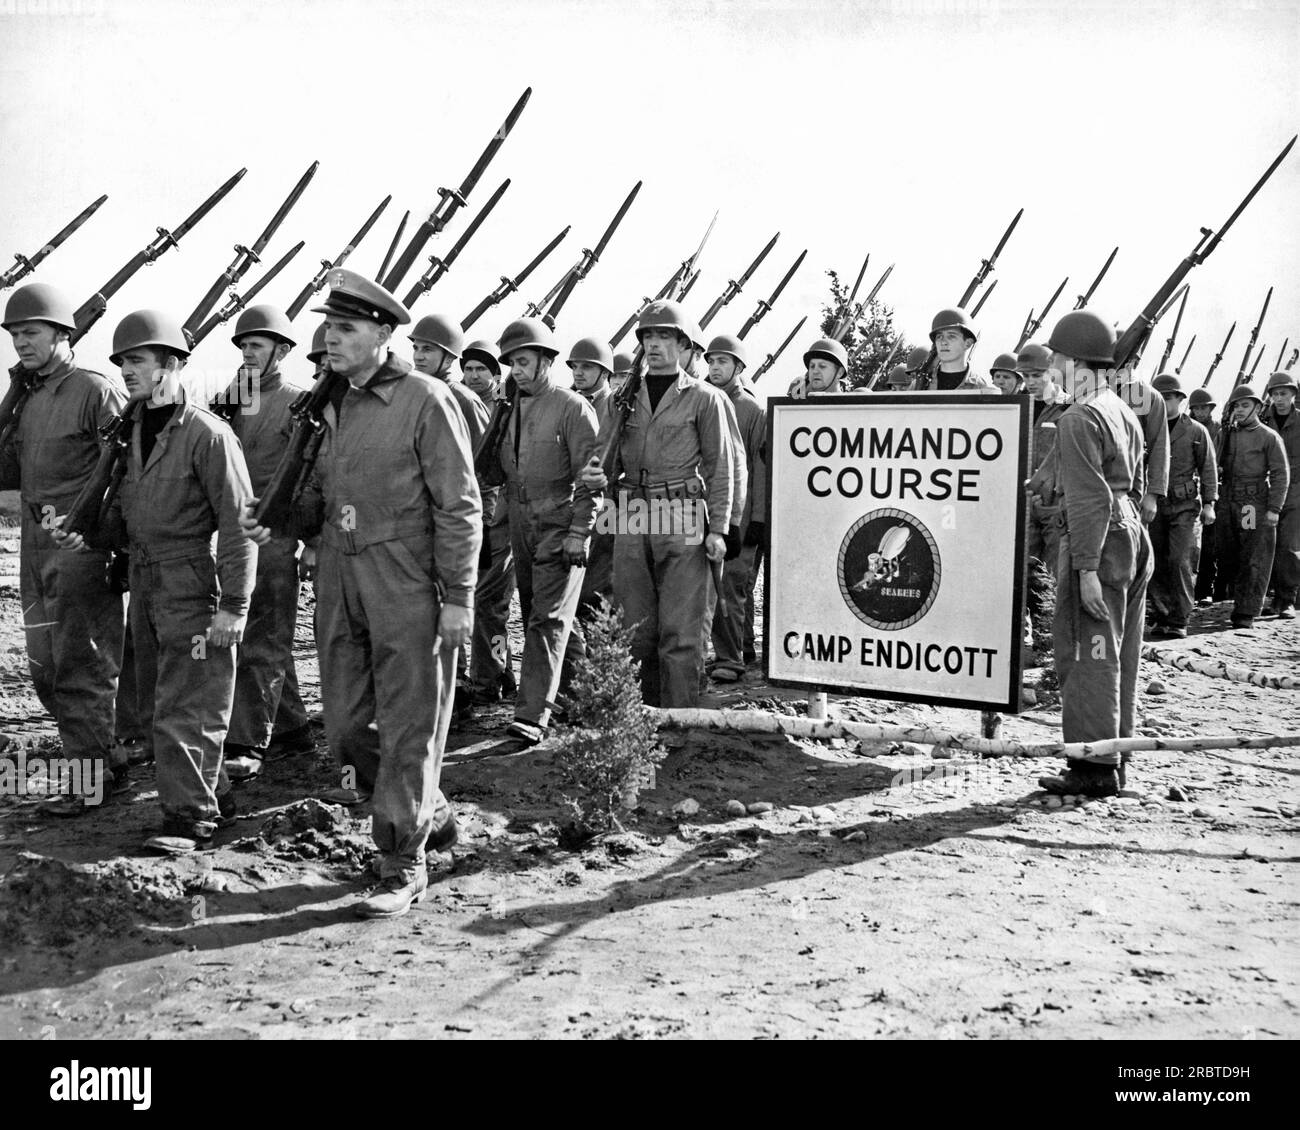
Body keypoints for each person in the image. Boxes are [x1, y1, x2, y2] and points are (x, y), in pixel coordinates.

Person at [241, 269, 481, 918]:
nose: (331, 338)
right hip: (340, 580)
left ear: (382, 332)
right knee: (345, 730)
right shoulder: (326, 405)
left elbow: (460, 506)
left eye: (345, 327)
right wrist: (278, 516)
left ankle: (401, 860)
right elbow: (318, 501)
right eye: (329, 327)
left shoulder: (426, 401)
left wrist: (458, 596)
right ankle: (427, 810)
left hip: (408, 583)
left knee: (408, 727)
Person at [53, 309, 255, 850]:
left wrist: (234, 605)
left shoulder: (209, 435)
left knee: (186, 702)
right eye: (121, 363)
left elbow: (239, 526)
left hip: (190, 578)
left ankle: (190, 819)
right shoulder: (131, 432)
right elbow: (124, 508)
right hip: (142, 576)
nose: (126, 372)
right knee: (154, 703)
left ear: (172, 363)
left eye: (137, 361)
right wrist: (93, 536)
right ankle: (217, 797)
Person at [1, 283, 129, 814]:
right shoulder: (28, 397)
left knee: (82, 663)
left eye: (31, 333)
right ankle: (108, 758)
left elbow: (125, 470)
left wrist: (106, 538)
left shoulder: (94, 390)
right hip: (34, 546)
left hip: (79, 546)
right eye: (14, 335)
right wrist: (11, 396)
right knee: (44, 666)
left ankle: (90, 779)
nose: (20, 343)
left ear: (62, 333)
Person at [580, 300, 740, 707]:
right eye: (648, 336)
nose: (654, 344)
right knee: (635, 626)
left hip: (682, 507)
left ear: (683, 343)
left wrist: (719, 528)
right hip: (631, 508)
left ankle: (681, 718)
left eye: (664, 336)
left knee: (682, 630)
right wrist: (595, 472)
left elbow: (722, 467)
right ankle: (642, 718)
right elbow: (603, 455)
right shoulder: (624, 396)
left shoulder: (706, 399)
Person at [1034, 311, 1152, 798]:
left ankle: (1092, 768)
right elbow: (1127, 482)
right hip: (1131, 534)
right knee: (1119, 652)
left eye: (1057, 358)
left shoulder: (1079, 416)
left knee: (1086, 652)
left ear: (1077, 362)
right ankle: (1113, 755)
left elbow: (1090, 500)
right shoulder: (1119, 408)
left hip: (1097, 539)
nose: (1050, 368)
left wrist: (1084, 570)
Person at [494, 318, 598, 744]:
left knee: (545, 619)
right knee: (553, 616)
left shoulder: (573, 407)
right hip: (521, 522)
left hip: (559, 520)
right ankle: (581, 700)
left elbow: (593, 479)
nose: (517, 370)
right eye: (513, 363)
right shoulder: (509, 408)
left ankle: (531, 715)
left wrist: (580, 531)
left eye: (524, 361)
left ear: (545, 361)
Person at [219, 305, 312, 781]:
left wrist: (309, 539)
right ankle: (293, 730)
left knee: (264, 637)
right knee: (264, 634)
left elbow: (314, 473)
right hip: (237, 532)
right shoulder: (238, 400)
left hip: (277, 533)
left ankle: (247, 742)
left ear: (283, 350)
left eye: (257, 345)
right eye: (243, 345)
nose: (248, 353)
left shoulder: (301, 401)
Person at [411, 313, 491, 722]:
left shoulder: (462, 398)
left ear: (448, 357)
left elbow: (481, 465)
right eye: (417, 349)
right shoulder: (416, 392)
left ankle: (455, 693)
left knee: (455, 602)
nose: (419, 356)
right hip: (421, 520)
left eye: (428, 350)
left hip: (454, 518)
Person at [703, 333, 765, 682]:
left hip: (741, 515)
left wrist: (757, 520)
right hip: (711, 512)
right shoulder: (703, 401)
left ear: (739, 367)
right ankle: (740, 649)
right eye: (711, 361)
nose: (714, 367)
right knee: (715, 585)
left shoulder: (752, 410)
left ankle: (731, 659)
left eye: (723, 361)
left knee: (732, 586)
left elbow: (760, 467)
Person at [460, 339, 517, 704]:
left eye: (482, 370)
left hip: (495, 522)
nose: (474, 375)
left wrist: (485, 521)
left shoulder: (498, 410)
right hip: (471, 521)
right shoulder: (460, 405)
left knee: (489, 606)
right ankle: (503, 673)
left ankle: (488, 679)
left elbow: (492, 472)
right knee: (486, 608)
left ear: (496, 377)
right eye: (469, 369)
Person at [1146, 373, 1216, 639]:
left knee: (1180, 560)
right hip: (1154, 504)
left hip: (1185, 506)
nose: (1163, 404)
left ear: (1179, 399)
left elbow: (1208, 469)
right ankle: (1162, 614)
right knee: (1156, 561)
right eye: (1158, 399)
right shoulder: (1148, 429)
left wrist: (1209, 504)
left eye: (1168, 398)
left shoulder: (1196, 431)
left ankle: (1180, 618)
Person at [1214, 384, 1289, 629]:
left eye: (1245, 405)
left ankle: (1246, 612)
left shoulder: (1268, 436)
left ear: (1257, 407)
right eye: (1236, 405)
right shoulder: (1226, 434)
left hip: (1251, 504)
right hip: (1227, 499)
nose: (1240, 410)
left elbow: (1280, 474)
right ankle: (1237, 601)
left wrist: (1274, 509)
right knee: (1229, 554)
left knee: (1252, 555)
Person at [567, 336, 616, 629]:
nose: (579, 372)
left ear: (605, 372)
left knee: (602, 591)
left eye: (587, 367)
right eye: (575, 366)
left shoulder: (617, 406)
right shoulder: (569, 404)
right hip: (575, 507)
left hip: (610, 510)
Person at [1261, 370, 1300, 618]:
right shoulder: (1264, 422)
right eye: (1275, 394)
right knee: (1266, 545)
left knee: (1289, 546)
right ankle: (1274, 598)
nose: (1279, 399)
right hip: (1268, 491)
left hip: (1297, 492)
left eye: (1284, 393)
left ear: (1294, 394)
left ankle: (1287, 599)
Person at [1189, 387, 1223, 604]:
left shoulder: (1220, 429)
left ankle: (1206, 589)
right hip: (1190, 489)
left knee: (1210, 544)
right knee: (1189, 546)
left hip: (1211, 488)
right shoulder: (1187, 428)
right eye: (1197, 407)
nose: (1200, 411)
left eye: (1204, 407)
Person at [915, 309, 994, 391]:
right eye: (939, 337)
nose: (943, 342)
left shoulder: (979, 387)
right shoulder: (920, 384)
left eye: (951, 336)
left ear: (968, 343)